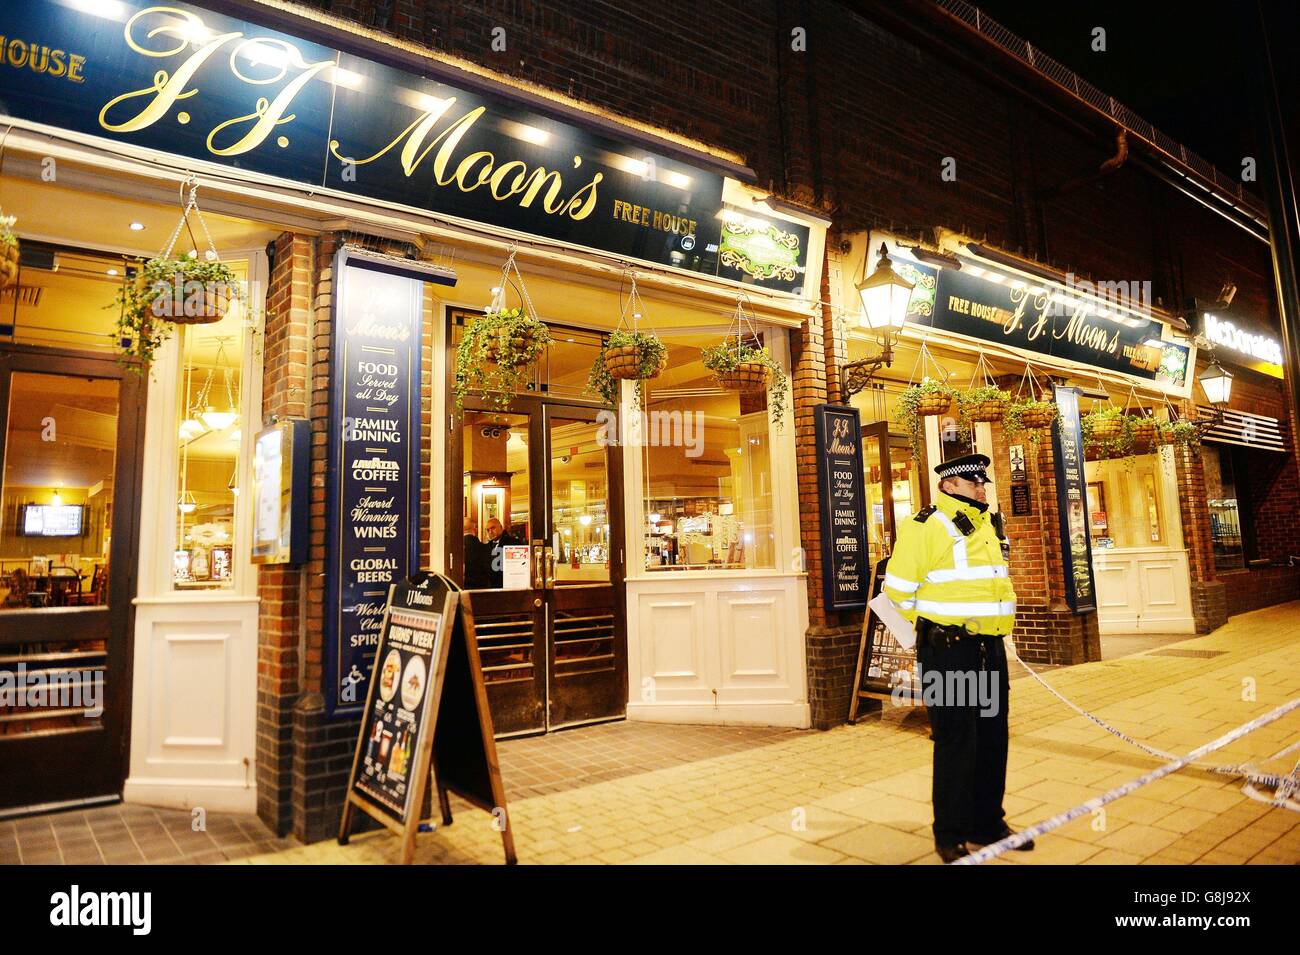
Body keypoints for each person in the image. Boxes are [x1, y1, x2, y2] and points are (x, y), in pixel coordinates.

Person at [881, 453, 1033, 863]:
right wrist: (936, 624)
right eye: (973, 483)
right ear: (950, 486)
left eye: (983, 482)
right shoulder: (927, 526)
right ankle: (949, 833)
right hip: (949, 650)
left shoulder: (986, 526)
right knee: (955, 741)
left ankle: (988, 824)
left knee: (991, 737)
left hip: (988, 648)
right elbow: (897, 589)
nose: (982, 488)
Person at [483, 517, 521, 589]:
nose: (490, 532)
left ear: (501, 527)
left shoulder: (513, 543)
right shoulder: (486, 547)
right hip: (490, 588)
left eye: (493, 528)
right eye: (488, 530)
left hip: (508, 586)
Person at [462, 520, 494, 590]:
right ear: (475, 529)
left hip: (463, 588)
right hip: (482, 589)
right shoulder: (485, 548)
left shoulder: (456, 548)